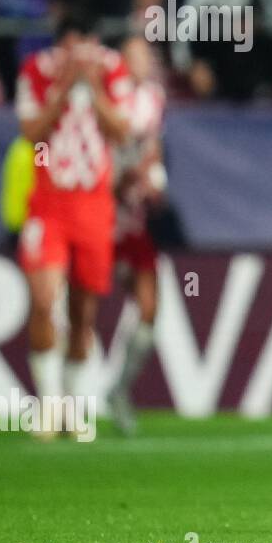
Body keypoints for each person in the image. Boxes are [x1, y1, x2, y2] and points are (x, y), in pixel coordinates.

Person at [16, 12, 133, 439]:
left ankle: (69, 406)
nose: (79, 55)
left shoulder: (113, 69)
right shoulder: (37, 71)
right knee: (44, 299)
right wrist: (64, 93)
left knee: (83, 314)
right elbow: (31, 134)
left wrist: (94, 90)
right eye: (71, 46)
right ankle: (47, 406)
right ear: (60, 44)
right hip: (48, 202)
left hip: (94, 206)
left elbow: (122, 130)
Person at [107, 35, 168, 436]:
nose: (144, 61)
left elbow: (152, 147)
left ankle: (120, 390)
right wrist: (120, 177)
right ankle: (58, 400)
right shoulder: (105, 97)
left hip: (132, 219)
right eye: (136, 55)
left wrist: (153, 177)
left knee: (148, 307)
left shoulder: (154, 98)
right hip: (97, 213)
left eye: (147, 54)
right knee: (81, 308)